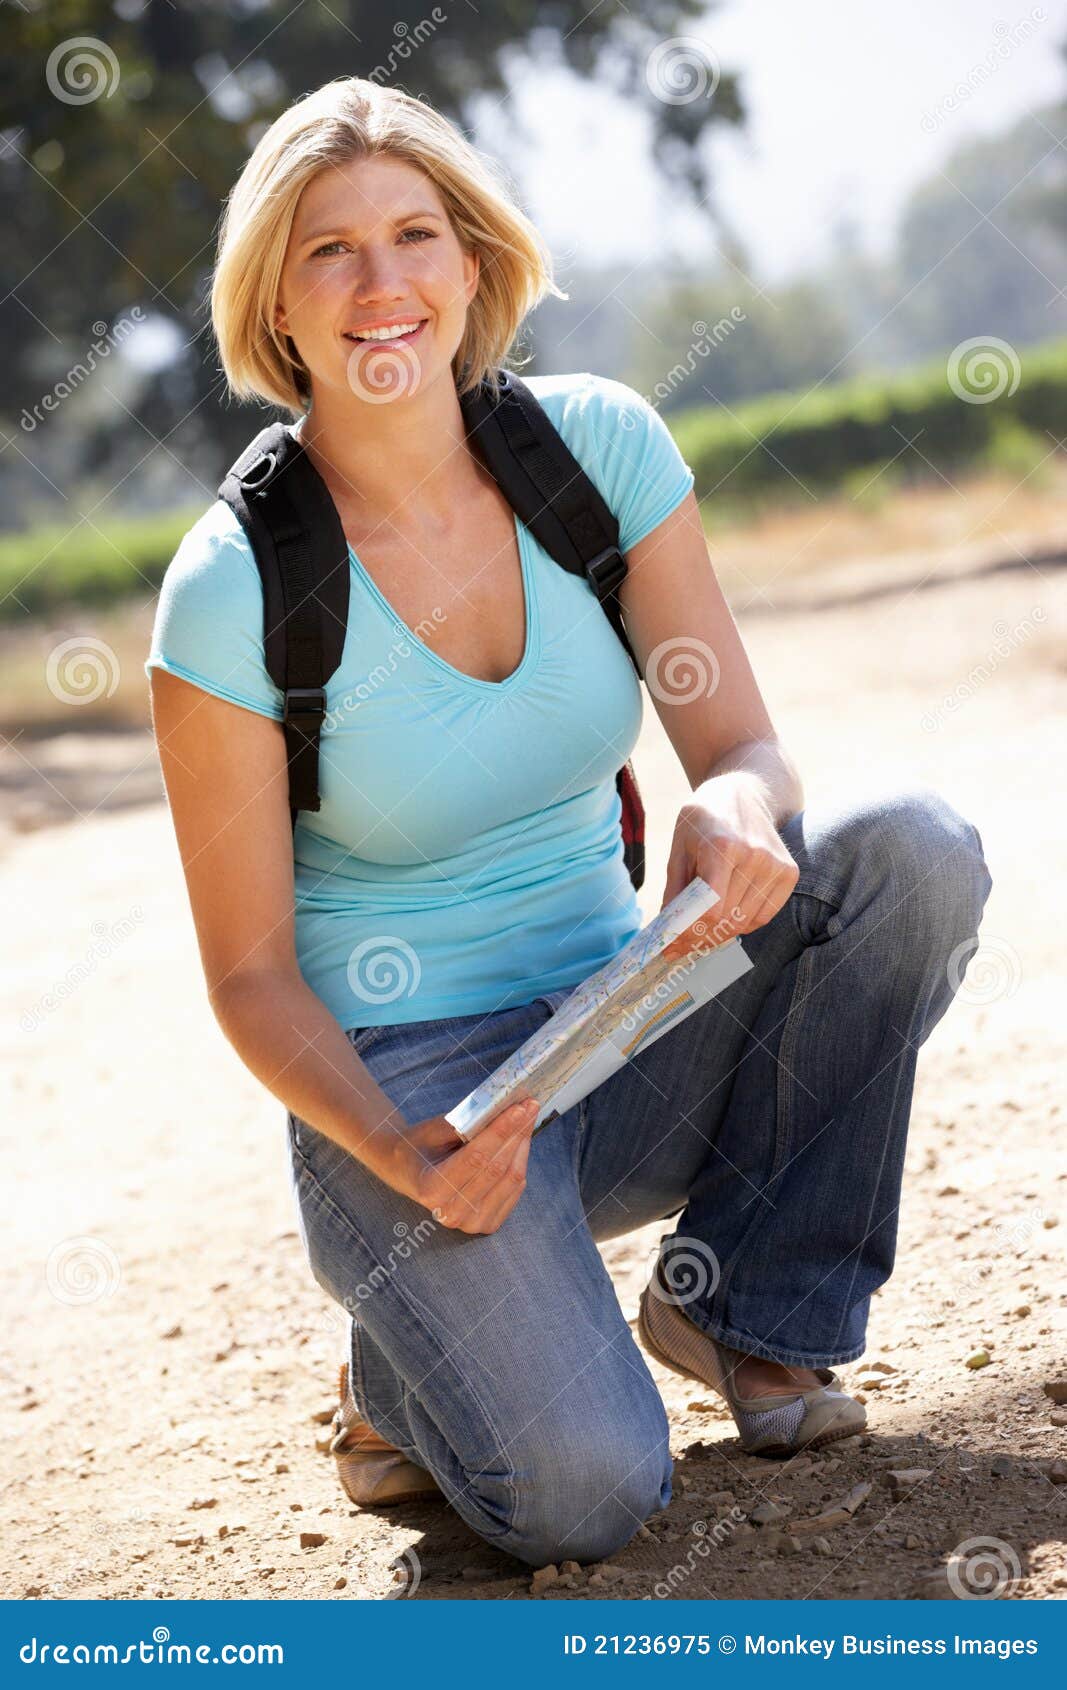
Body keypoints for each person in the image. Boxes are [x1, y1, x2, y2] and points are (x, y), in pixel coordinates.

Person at [144, 76, 993, 1571]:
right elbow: (248, 976)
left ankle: (749, 1315)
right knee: (593, 1495)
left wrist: (733, 807)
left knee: (912, 853)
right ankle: (399, 1369)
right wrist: (407, 1159)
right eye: (328, 250)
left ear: (474, 263)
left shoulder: (595, 452)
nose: (382, 282)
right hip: (411, 1104)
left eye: (415, 234)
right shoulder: (229, 587)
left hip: (617, 1019)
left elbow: (742, 746)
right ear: (274, 299)